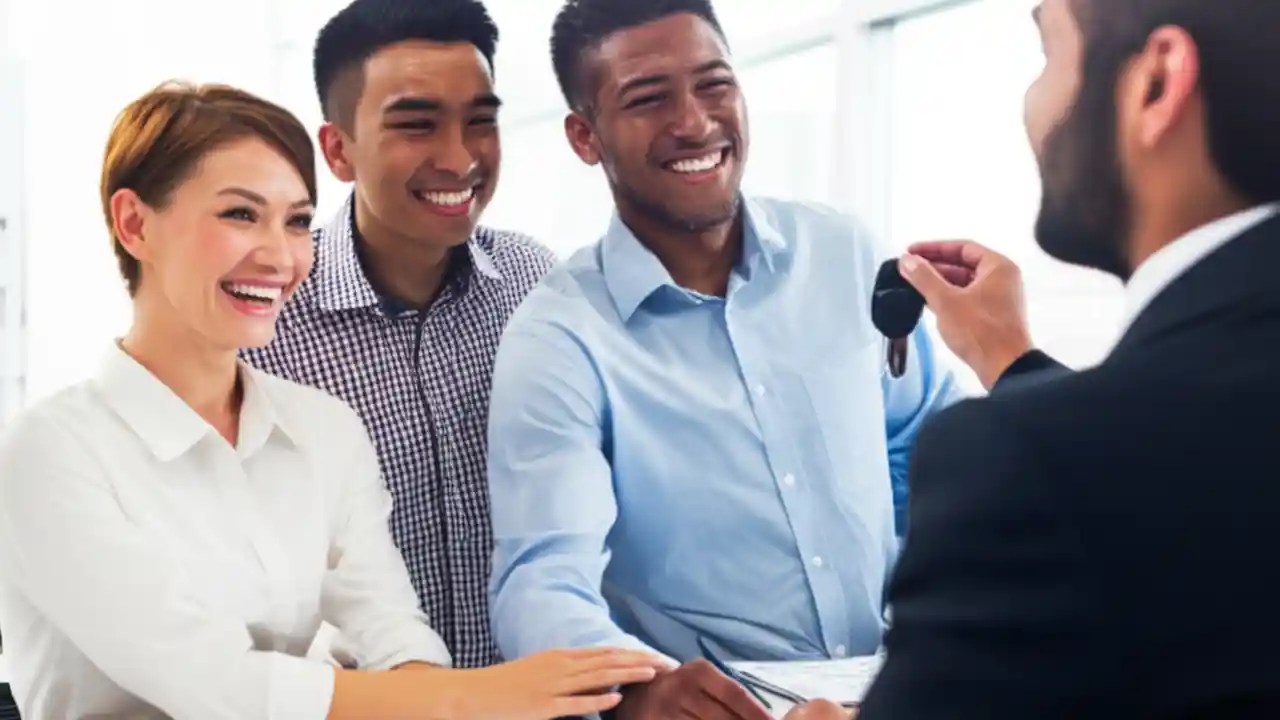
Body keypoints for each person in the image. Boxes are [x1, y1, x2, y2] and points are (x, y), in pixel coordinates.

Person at [0, 81, 666, 720]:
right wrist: (477, 698)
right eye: (239, 214)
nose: (280, 255)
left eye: (296, 222)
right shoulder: (51, 453)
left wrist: (433, 693)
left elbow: (389, 627)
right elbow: (217, 687)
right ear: (134, 224)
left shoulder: (320, 429)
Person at [788, 0, 1280, 717]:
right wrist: (1009, 360)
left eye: (1048, 55)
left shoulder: (1021, 467)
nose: (1030, 106)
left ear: (1155, 83)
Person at [486, 0, 962, 717]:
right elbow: (543, 578)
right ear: (586, 137)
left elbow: (926, 447)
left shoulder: (844, 253)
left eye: (714, 84)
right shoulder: (558, 337)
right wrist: (636, 692)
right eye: (649, 99)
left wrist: (931, 606)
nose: (695, 121)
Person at [240, 0, 555, 669]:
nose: (459, 157)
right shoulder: (264, 324)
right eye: (417, 125)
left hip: (537, 700)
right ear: (338, 150)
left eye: (481, 122)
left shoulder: (533, 284)